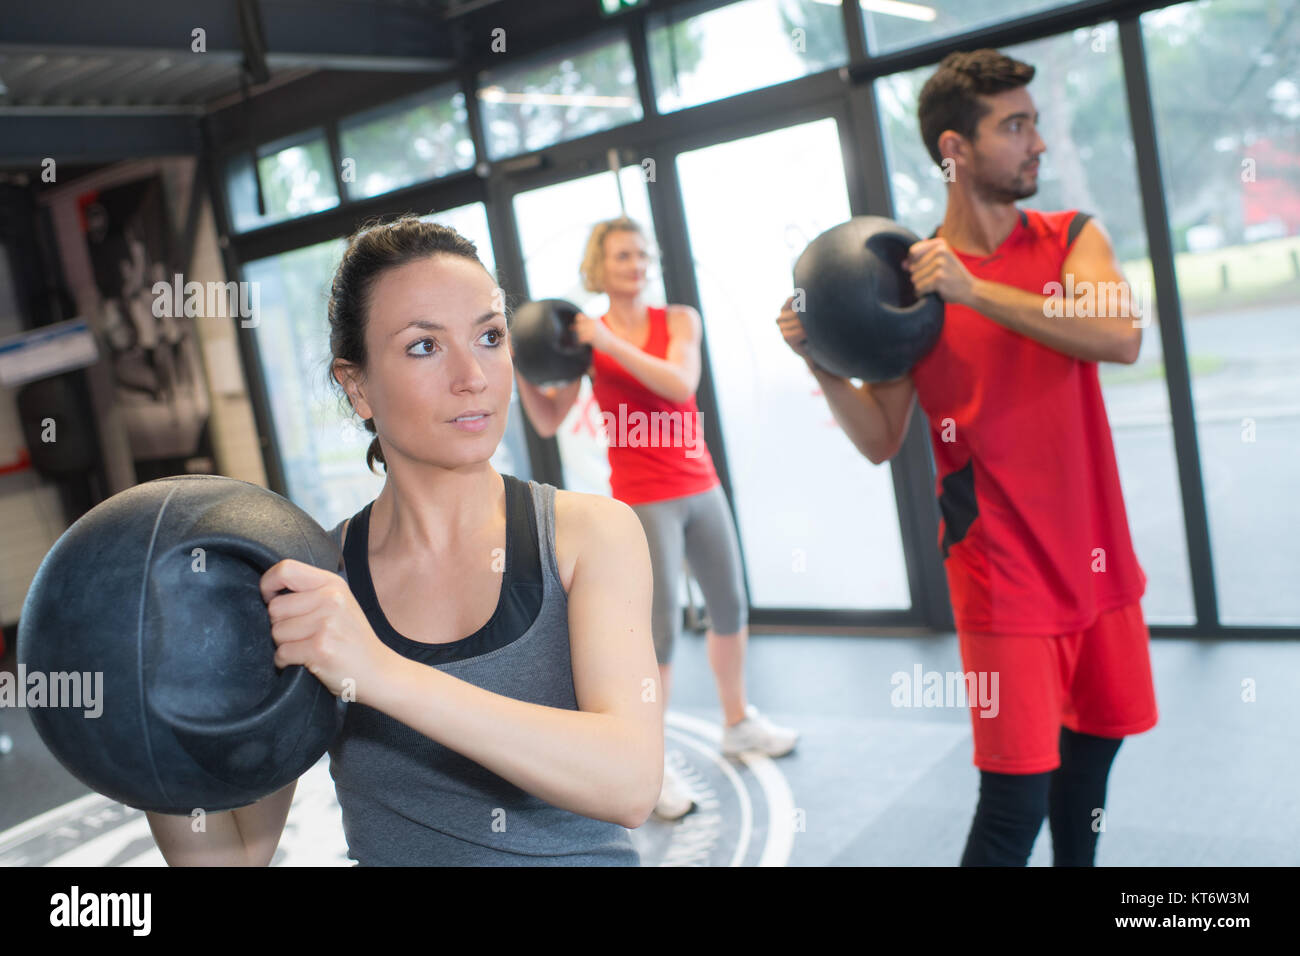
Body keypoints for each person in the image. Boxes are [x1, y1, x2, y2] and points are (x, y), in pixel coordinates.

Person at [146, 216, 662, 865]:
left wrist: (378, 673)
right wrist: (143, 732)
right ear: (357, 386)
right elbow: (227, 857)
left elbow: (631, 782)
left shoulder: (591, 533)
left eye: (490, 336)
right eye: (425, 346)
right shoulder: (313, 576)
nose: (472, 375)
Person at [777, 49, 1157, 866]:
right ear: (955, 149)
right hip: (1000, 577)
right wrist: (821, 364)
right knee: (1013, 804)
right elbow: (881, 439)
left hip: (1096, 567)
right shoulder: (908, 285)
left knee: (1086, 779)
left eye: (1034, 122)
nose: (1038, 143)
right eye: (1014, 126)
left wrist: (979, 292)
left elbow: (1120, 335)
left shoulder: (1070, 238)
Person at [515, 217, 798, 821]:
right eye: (622, 255)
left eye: (642, 252)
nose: (636, 263)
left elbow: (678, 383)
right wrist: (516, 358)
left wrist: (606, 342)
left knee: (731, 608)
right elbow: (546, 419)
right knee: (660, 634)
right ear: (601, 265)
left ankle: (738, 721)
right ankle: (652, 763)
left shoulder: (678, 321)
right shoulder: (585, 340)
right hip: (644, 498)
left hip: (700, 484)